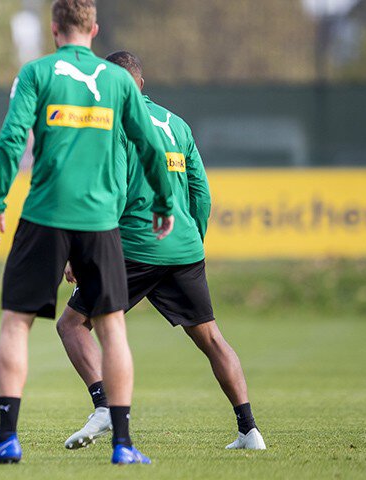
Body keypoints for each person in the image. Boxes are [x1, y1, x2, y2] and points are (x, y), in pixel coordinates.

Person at [0, 0, 175, 465]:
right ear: (95, 29)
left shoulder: (37, 72)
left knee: (16, 323)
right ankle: (123, 445)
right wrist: (165, 200)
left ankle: (7, 438)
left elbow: (10, 138)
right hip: (101, 222)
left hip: (45, 214)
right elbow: (148, 145)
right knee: (113, 328)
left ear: (54, 28)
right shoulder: (120, 81)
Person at [58, 51, 266, 452]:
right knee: (212, 339)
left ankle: (104, 406)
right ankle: (249, 430)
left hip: (134, 247)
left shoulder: (114, 124)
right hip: (183, 248)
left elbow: (113, 191)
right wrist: (190, 241)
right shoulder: (176, 124)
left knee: (71, 324)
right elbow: (201, 194)